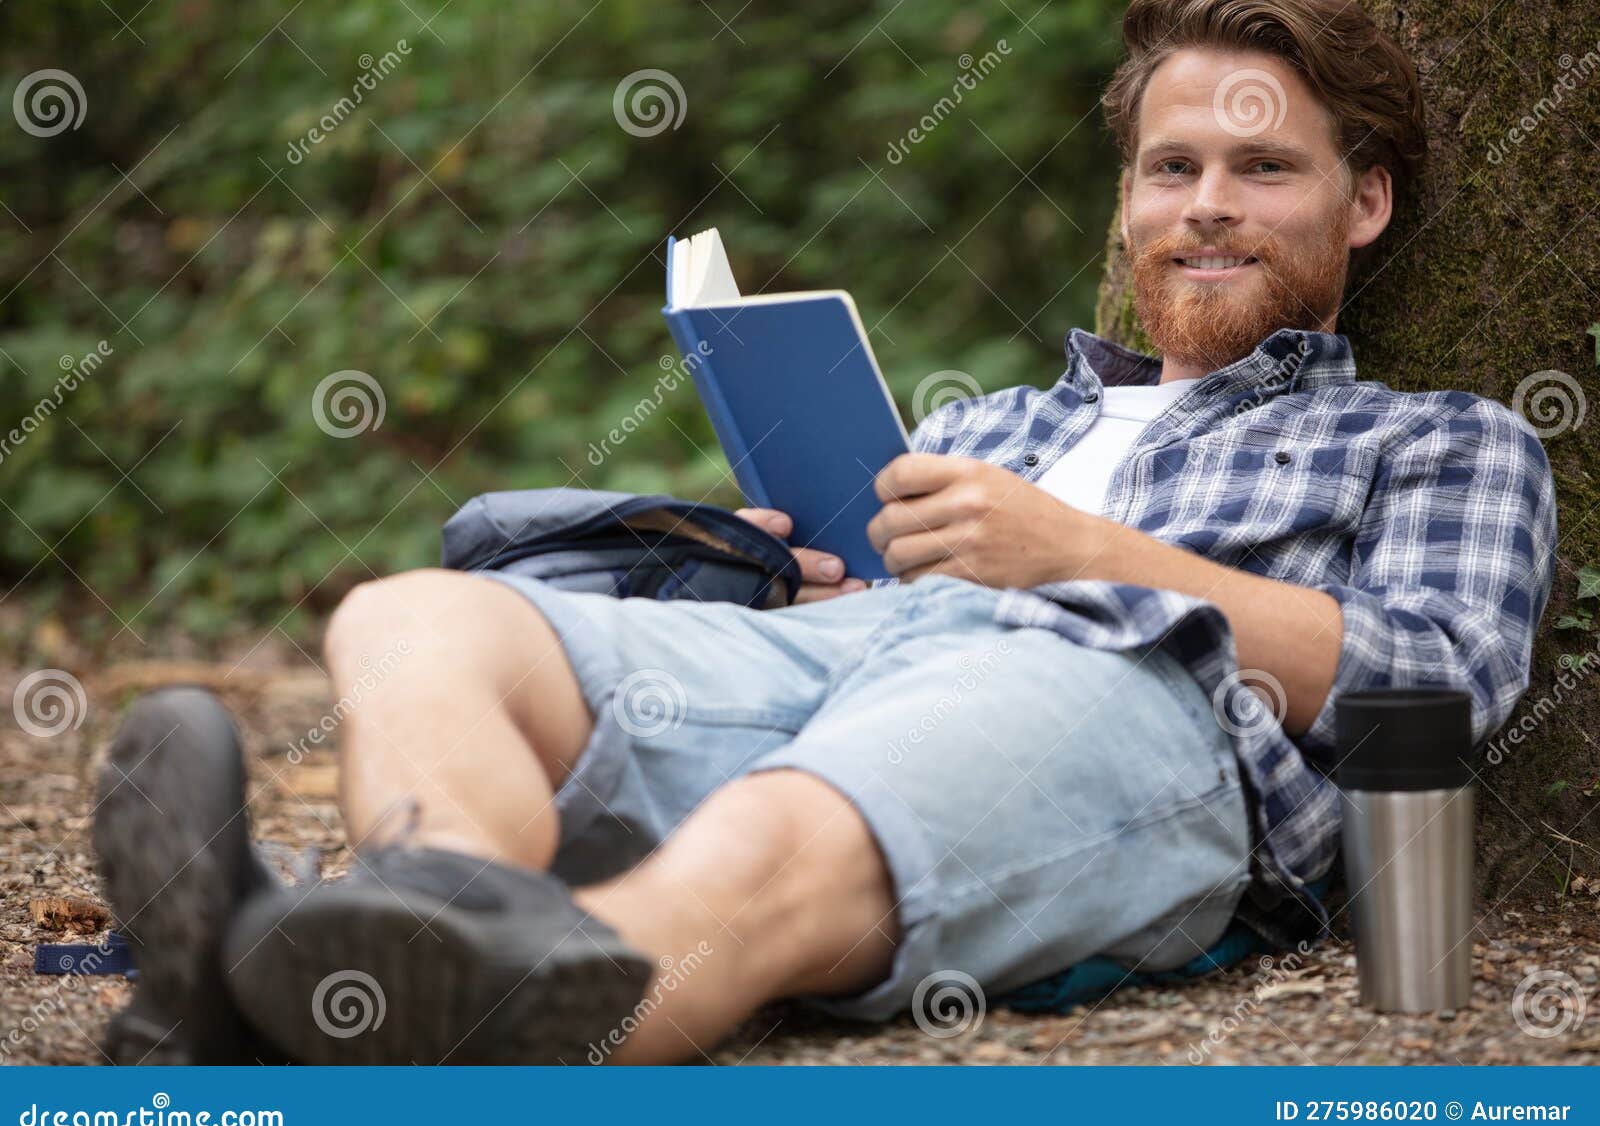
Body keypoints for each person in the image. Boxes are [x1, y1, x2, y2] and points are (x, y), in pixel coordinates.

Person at [94, 0, 1555, 1065]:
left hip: (1138, 706)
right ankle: (437, 918)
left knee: (780, 824)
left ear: (1364, 202)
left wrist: (1081, 555)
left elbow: (1430, 690)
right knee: (411, 619)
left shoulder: (1444, 442)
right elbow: (851, 642)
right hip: (856, 663)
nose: (1207, 208)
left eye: (1264, 170)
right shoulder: (987, 427)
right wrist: (776, 578)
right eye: (1172, 170)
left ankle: (391, 1027)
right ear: (1125, 202)